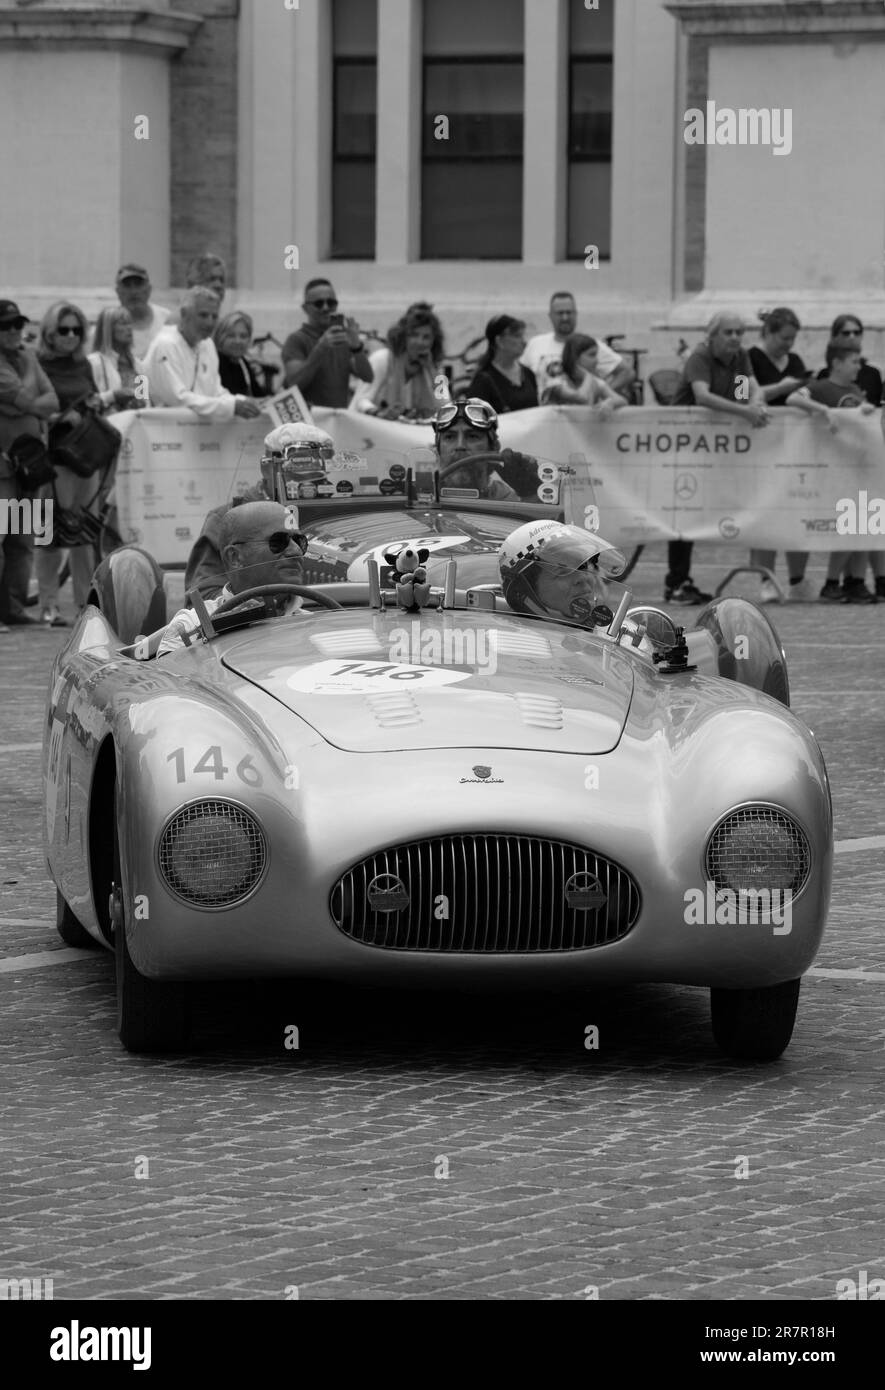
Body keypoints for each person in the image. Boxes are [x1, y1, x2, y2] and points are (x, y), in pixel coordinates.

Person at [668, 313, 770, 605]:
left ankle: (682, 580)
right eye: (728, 332)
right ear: (711, 336)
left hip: (712, 447)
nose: (735, 337)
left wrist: (756, 402)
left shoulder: (738, 358)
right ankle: (676, 582)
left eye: (740, 332)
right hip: (682, 443)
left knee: (695, 510)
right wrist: (747, 412)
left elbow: (745, 390)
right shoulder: (700, 357)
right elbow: (703, 397)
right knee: (681, 512)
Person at [184, 422, 335, 598]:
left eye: (317, 476)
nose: (308, 484)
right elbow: (202, 595)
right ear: (266, 468)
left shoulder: (338, 513)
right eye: (296, 473)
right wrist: (265, 605)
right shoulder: (228, 518)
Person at [35, 301, 113, 627]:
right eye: (63, 330)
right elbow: (35, 410)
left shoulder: (83, 365)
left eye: (76, 330)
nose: (70, 336)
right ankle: (48, 604)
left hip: (85, 459)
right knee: (49, 535)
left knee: (84, 535)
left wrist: (93, 404)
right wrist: (59, 417)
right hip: (54, 459)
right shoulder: (37, 363)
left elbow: (94, 398)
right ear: (49, 333)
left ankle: (85, 604)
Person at [158, 500, 308, 656]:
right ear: (234, 557)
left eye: (299, 541)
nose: (296, 551)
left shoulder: (319, 625)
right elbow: (173, 678)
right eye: (278, 542)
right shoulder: (190, 627)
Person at [790, 340, 878, 603]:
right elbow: (793, 398)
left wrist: (866, 411)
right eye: (854, 361)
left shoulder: (855, 390)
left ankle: (855, 582)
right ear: (837, 363)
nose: (858, 367)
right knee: (848, 527)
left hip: (857, 468)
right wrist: (823, 410)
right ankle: (831, 581)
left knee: (862, 525)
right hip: (833, 469)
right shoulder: (821, 387)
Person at [815, 314, 884, 601]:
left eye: (858, 332)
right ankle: (792, 580)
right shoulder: (748, 363)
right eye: (846, 333)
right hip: (830, 460)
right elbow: (744, 391)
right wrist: (746, 403)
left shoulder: (865, 377)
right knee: (850, 524)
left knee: (869, 522)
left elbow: (871, 408)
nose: (853, 337)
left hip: (863, 461)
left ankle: (864, 580)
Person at [746, 307, 812, 603]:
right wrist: (781, 388)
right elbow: (744, 395)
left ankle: (798, 578)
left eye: (793, 339)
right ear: (769, 332)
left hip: (795, 444)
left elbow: (803, 392)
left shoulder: (795, 360)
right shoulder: (750, 357)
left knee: (799, 506)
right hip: (763, 443)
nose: (789, 344)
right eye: (785, 338)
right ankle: (766, 578)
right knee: (767, 509)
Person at [0, 300, 59, 630]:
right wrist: (31, 405)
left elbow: (51, 402)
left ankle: (13, 607)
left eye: (16, 324)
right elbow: (27, 400)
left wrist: (27, 406)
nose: (12, 331)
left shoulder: (28, 356)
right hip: (3, 467)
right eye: (5, 325)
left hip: (29, 466)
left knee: (22, 540)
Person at [144, 288, 262, 421]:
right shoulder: (165, 345)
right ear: (184, 314)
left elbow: (216, 392)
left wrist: (243, 401)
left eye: (214, 316)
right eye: (203, 315)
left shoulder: (207, 344)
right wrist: (231, 406)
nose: (210, 322)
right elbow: (177, 399)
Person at [498, 519, 626, 627]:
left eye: (583, 566)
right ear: (525, 589)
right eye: (563, 571)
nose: (582, 577)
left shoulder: (617, 628)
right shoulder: (505, 642)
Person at [521, 292, 634, 401]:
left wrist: (600, 393)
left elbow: (627, 372)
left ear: (576, 314)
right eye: (560, 313)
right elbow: (520, 376)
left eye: (569, 312)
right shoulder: (536, 344)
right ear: (550, 316)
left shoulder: (590, 345)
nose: (565, 317)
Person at [431, 397, 543, 502]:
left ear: (494, 448)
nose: (460, 446)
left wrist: (531, 496)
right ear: (437, 449)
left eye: (472, 436)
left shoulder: (509, 500)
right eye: (450, 437)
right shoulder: (420, 497)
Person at [282, 278, 372, 407]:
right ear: (305, 308)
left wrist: (356, 347)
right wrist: (321, 348)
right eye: (319, 303)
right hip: (308, 422)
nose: (326, 308)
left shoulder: (343, 339)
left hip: (337, 420)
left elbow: (368, 377)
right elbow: (293, 384)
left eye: (331, 302)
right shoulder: (296, 340)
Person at [351, 302, 450, 418]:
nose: (420, 342)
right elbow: (361, 400)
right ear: (404, 337)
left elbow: (447, 407)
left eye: (426, 337)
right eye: (414, 335)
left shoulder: (434, 369)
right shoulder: (382, 359)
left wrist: (431, 370)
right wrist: (379, 413)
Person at [467, 316, 538, 414]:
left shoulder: (528, 374)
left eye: (522, 336)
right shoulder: (483, 380)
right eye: (517, 336)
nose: (523, 342)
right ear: (499, 341)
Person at [540, 334, 626, 413]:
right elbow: (583, 399)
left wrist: (611, 402)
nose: (596, 360)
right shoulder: (557, 381)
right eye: (592, 355)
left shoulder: (594, 382)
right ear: (575, 358)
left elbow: (622, 400)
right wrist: (587, 376)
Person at [88, 307, 144, 411]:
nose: (129, 328)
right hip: (108, 423)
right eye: (123, 323)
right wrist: (113, 396)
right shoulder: (94, 362)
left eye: (130, 323)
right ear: (108, 329)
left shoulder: (138, 364)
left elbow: (145, 398)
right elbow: (88, 402)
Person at [114, 264, 171, 361]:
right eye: (127, 285)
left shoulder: (167, 321)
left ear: (149, 289)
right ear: (118, 291)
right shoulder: (109, 326)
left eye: (138, 284)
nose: (133, 291)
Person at [214, 311, 267, 398]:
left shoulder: (242, 362)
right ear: (220, 337)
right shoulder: (215, 362)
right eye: (231, 336)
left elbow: (258, 394)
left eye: (243, 336)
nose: (238, 341)